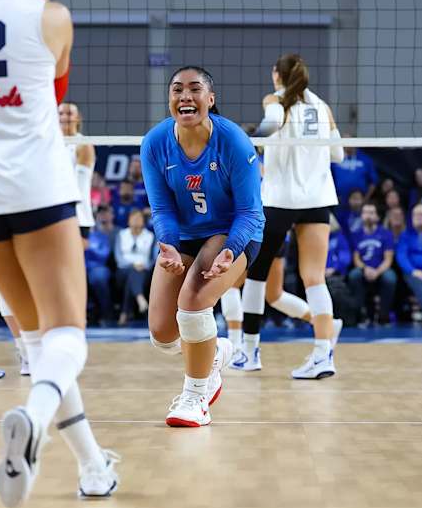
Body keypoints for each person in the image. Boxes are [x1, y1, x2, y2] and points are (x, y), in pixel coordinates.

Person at [0, 0, 119, 503]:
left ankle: (93, 466)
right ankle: (33, 422)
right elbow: (56, 90)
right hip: (38, 187)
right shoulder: (52, 17)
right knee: (68, 338)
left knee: (39, 341)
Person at [142, 64, 263, 427]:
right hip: (185, 235)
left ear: (210, 99)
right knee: (163, 334)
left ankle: (196, 397)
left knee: (193, 305)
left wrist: (232, 250)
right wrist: (167, 246)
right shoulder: (155, 143)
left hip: (234, 231)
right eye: (177, 89)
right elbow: (162, 209)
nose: (185, 97)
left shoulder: (234, 142)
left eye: (195, 89)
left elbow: (249, 211)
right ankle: (213, 351)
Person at [239, 53, 344, 379]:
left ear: (276, 75)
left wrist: (251, 140)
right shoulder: (323, 107)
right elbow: (338, 154)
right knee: (314, 278)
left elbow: (270, 124)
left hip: (280, 199)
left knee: (256, 275)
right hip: (317, 198)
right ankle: (323, 354)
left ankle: (249, 351)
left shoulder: (276, 99)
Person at [348, 203, 396, 326]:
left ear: (377, 217)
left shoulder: (386, 233)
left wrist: (377, 271)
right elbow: (356, 258)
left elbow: (388, 259)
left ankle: (383, 316)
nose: (368, 216)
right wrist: (365, 269)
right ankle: (361, 315)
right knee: (354, 275)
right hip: (364, 269)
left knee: (390, 278)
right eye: (365, 212)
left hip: (381, 269)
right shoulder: (356, 234)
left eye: (371, 212)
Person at [59, 102, 97, 240]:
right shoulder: (50, 142)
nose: (64, 117)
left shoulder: (83, 144)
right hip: (52, 214)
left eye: (69, 113)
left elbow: (78, 186)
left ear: (77, 118)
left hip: (78, 215)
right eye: (61, 113)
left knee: (74, 261)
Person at [114, 209, 154, 325]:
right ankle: (140, 298)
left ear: (143, 221)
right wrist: (132, 264)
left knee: (133, 277)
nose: (136, 220)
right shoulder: (121, 235)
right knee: (132, 272)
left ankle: (124, 313)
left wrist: (144, 265)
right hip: (123, 270)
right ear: (128, 220)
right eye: (133, 218)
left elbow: (152, 259)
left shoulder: (150, 236)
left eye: (139, 218)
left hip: (143, 271)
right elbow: (118, 258)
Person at [330, 133, 377, 207]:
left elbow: (373, 182)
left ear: (354, 142)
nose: (345, 144)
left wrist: (365, 199)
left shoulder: (365, 159)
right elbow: (329, 179)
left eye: (348, 141)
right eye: (343, 142)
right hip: (339, 201)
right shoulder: (336, 159)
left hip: (359, 202)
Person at [85, 218, 115, 325]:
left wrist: (89, 248)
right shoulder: (76, 235)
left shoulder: (101, 236)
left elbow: (104, 255)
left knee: (99, 277)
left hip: (98, 266)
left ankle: (106, 314)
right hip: (81, 267)